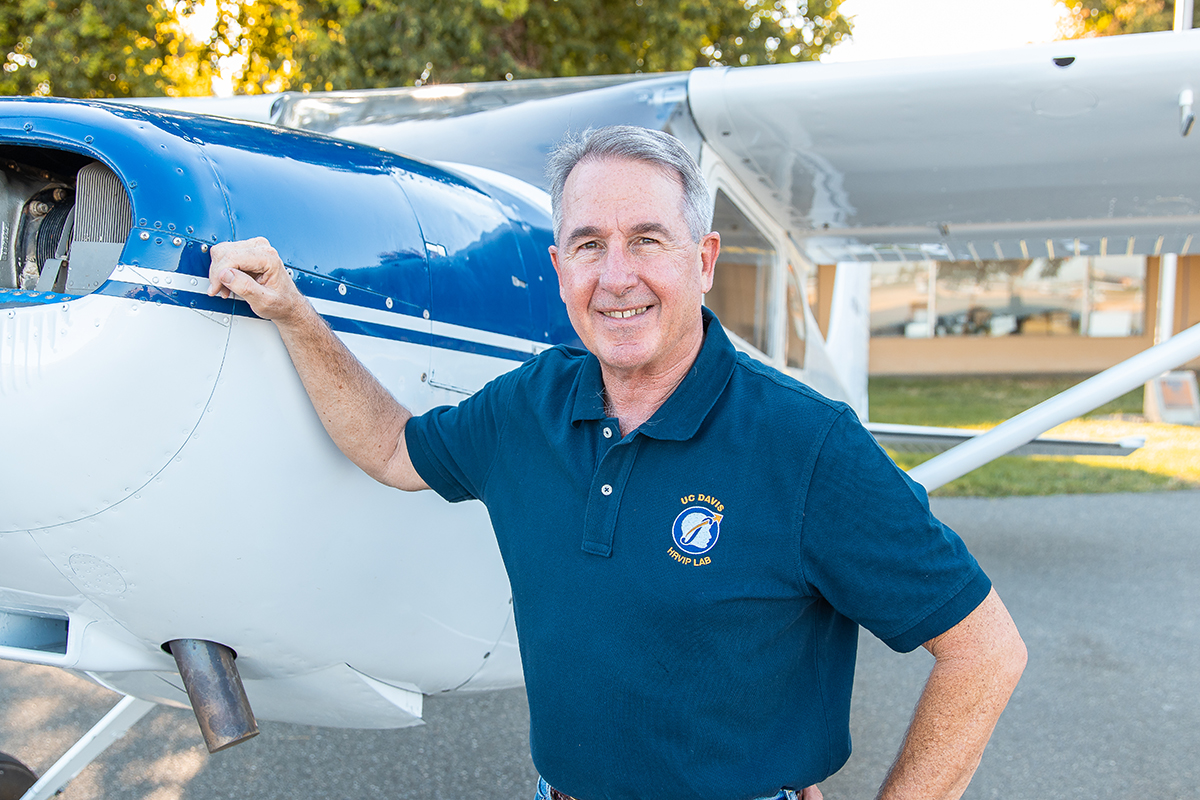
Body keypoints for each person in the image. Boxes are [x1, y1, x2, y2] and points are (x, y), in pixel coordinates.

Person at [207, 125, 1026, 800]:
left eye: (647, 240)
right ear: (559, 268)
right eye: (589, 244)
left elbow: (984, 650)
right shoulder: (530, 405)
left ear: (703, 261)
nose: (617, 276)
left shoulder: (807, 443)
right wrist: (291, 311)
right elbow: (392, 447)